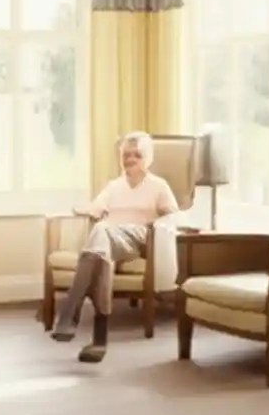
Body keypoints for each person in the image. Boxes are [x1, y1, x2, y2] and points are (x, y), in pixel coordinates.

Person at [50, 131, 179, 363]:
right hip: (110, 239)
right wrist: (81, 208)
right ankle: (98, 341)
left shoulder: (159, 186)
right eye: (126, 154)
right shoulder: (114, 186)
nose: (130, 159)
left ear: (148, 158)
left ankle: (70, 315)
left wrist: (155, 224)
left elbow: (172, 216)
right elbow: (96, 208)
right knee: (101, 253)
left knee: (100, 232)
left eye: (136, 154)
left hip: (138, 238)